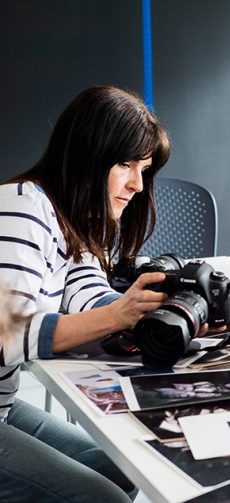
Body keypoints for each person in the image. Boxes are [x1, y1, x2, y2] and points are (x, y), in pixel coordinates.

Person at [0, 86, 171, 501]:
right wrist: (118, 316)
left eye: (144, 168)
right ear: (87, 156)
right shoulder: (22, 209)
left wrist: (153, 313)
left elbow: (90, 295)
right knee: (101, 497)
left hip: (4, 405)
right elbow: (7, 335)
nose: (137, 184)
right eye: (125, 164)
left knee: (127, 464)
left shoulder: (73, 219)